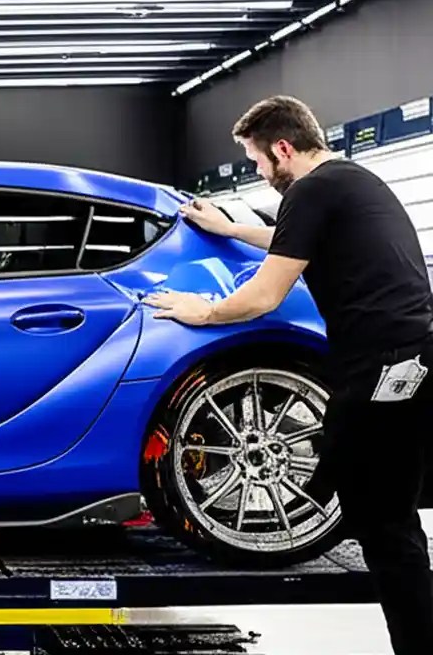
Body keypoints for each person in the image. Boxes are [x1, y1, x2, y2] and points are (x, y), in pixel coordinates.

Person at [147, 95, 433, 655]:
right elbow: (287, 241)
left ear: (283, 148)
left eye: (256, 160)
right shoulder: (346, 181)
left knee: (381, 519)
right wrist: (227, 228)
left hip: (382, 362)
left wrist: (200, 310)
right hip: (406, 356)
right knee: (382, 510)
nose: (257, 171)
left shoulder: (312, 190)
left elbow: (264, 295)